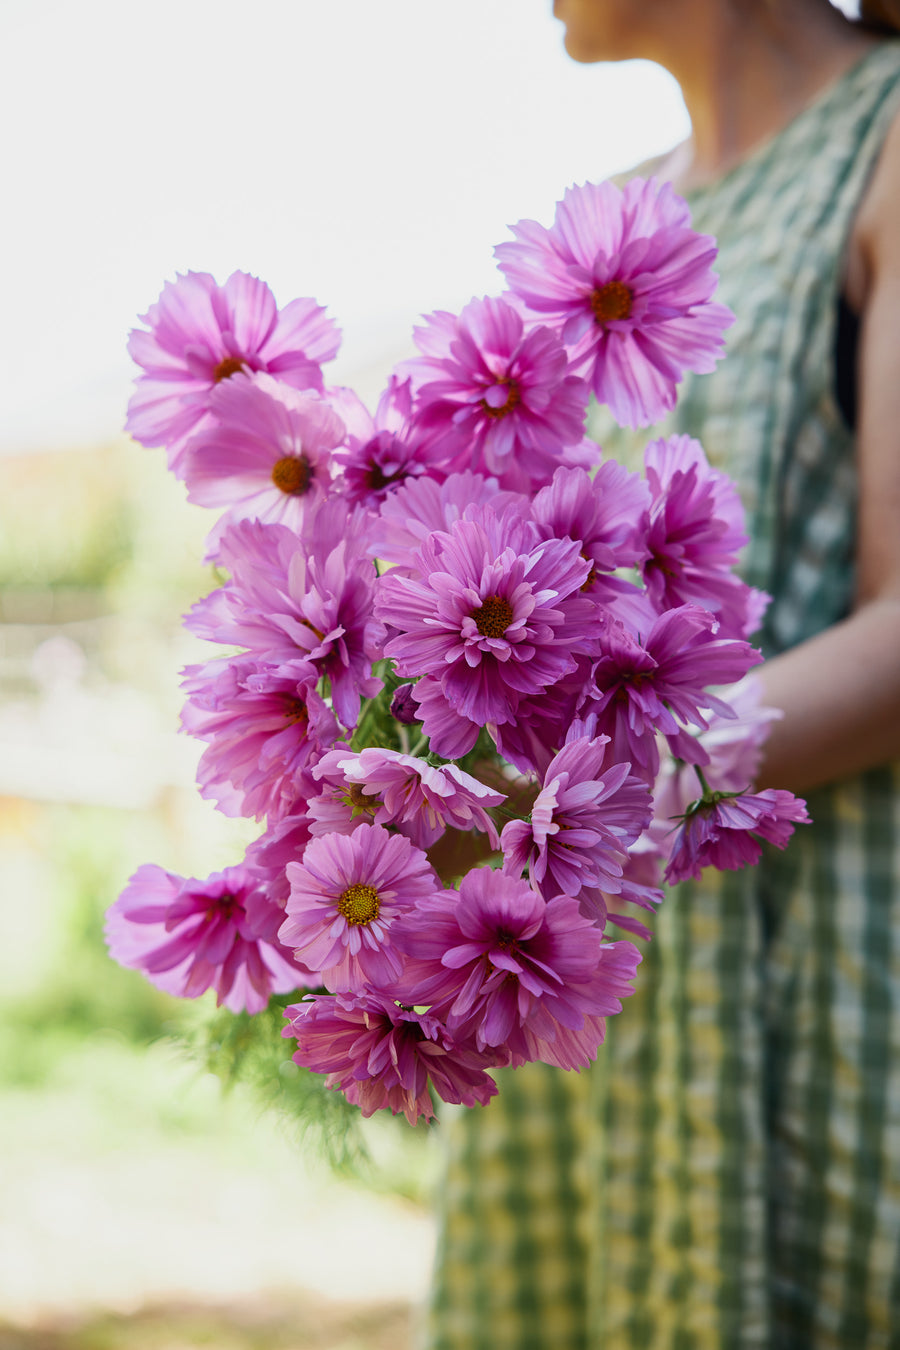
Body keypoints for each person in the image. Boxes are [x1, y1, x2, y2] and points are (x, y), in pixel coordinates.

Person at [421, 2, 900, 1346]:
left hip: (809, 965)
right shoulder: (616, 215)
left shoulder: (886, 144)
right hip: (589, 982)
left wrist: (590, 793)